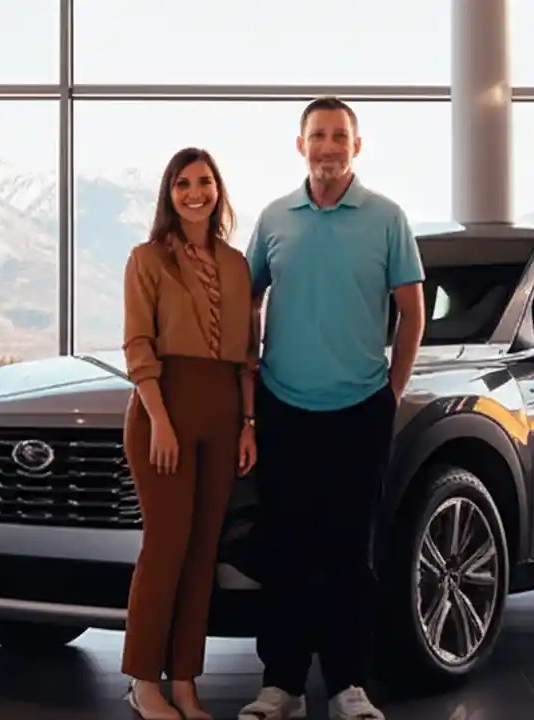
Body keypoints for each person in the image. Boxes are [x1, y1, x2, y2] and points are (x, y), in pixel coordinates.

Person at [238, 97, 426, 720]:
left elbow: (412, 310)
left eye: (338, 135)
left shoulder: (387, 218)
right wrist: (248, 397)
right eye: (317, 135)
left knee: (351, 554)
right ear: (300, 146)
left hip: (359, 410)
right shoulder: (272, 220)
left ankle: (349, 685)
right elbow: (248, 305)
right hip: (282, 408)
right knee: (286, 548)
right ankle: (282, 687)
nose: (327, 145)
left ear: (356, 145)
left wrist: (392, 390)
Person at [120, 146, 260, 720]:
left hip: (224, 413)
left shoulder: (236, 264)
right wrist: (159, 419)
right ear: (168, 194)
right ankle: (141, 680)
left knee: (203, 553)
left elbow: (246, 356)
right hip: (165, 409)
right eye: (182, 183)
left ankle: (184, 682)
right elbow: (137, 345)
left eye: (204, 182)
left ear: (218, 191)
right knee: (165, 547)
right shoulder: (147, 259)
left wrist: (248, 424)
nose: (194, 192)